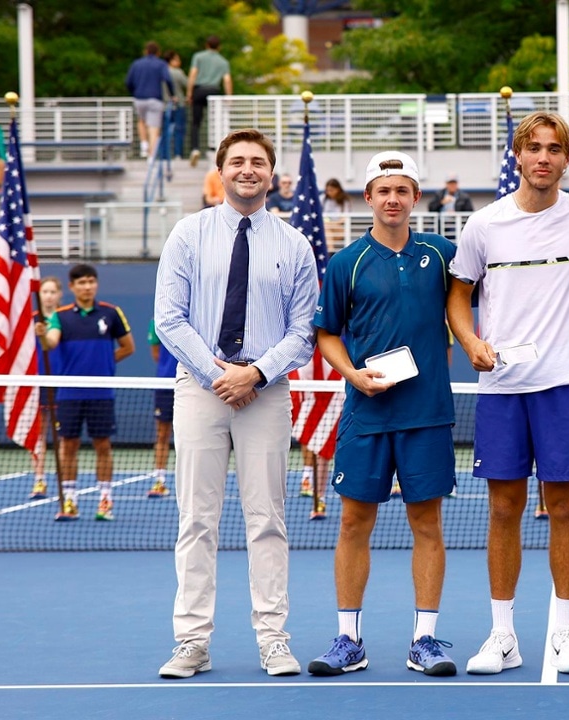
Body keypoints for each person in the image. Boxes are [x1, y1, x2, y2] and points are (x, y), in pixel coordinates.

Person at [447, 111, 569, 676]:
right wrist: (470, 339)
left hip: (565, 386)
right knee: (503, 510)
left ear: (568, 160)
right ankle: (502, 636)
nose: (543, 158)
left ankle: (565, 632)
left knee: (565, 509)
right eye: (533, 148)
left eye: (554, 149)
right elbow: (458, 297)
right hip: (501, 390)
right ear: (517, 155)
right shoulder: (483, 226)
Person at [154, 128, 318, 679]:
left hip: (267, 396)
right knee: (196, 520)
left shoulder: (294, 244)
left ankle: (273, 640)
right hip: (200, 393)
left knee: (267, 519)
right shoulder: (187, 233)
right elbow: (168, 318)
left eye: (259, 163)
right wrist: (219, 376)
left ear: (272, 174)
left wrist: (256, 374)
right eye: (238, 162)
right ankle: (191, 643)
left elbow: (303, 333)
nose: (248, 170)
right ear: (221, 171)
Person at [307, 150, 459, 677]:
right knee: (353, 523)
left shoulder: (443, 255)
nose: (392, 198)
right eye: (383, 189)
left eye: (403, 189)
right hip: (366, 415)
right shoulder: (345, 263)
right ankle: (349, 639)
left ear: (416, 197)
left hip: (427, 414)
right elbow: (325, 335)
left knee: (427, 524)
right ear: (367, 198)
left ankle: (426, 640)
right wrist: (353, 375)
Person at [41, 264, 135, 522]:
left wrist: (105, 364)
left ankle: (105, 500)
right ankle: (69, 500)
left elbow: (128, 347)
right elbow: (51, 342)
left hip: (101, 393)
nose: (87, 286)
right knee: (68, 445)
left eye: (91, 281)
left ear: (96, 284)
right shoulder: (59, 316)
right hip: (69, 393)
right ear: (72, 287)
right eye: (81, 283)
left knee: (102, 445)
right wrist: (42, 335)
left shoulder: (111, 313)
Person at [29, 276, 64, 499]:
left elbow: (53, 344)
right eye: (45, 292)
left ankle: (63, 481)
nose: (49, 296)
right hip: (37, 383)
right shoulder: (31, 320)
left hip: (62, 383)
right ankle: (39, 480)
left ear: (59, 294)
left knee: (61, 436)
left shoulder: (65, 319)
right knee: (39, 434)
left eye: (53, 292)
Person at [187, 35, 233, 167]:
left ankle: (195, 148)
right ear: (219, 47)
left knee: (196, 122)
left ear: (206, 45)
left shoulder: (198, 57)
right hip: (214, 91)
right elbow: (227, 80)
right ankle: (213, 148)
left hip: (199, 90)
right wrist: (229, 97)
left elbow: (193, 74)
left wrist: (189, 93)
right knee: (214, 121)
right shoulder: (223, 62)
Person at [125, 41, 175, 159]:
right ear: (158, 53)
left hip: (139, 98)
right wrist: (172, 95)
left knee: (141, 120)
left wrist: (134, 92)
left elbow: (128, 82)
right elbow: (168, 80)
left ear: (145, 51)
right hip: (155, 99)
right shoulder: (161, 64)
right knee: (154, 128)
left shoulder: (136, 64)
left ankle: (144, 144)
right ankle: (151, 155)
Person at [146, 319, 177, 498]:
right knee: (162, 434)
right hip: (165, 384)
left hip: (193, 383)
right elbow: (156, 353)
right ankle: (160, 480)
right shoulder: (157, 319)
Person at [163, 50, 189, 159]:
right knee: (179, 129)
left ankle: (164, 155)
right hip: (178, 104)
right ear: (171, 60)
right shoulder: (177, 72)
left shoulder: (162, 72)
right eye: (177, 59)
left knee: (165, 131)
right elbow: (188, 83)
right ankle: (178, 154)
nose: (179, 62)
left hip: (164, 105)